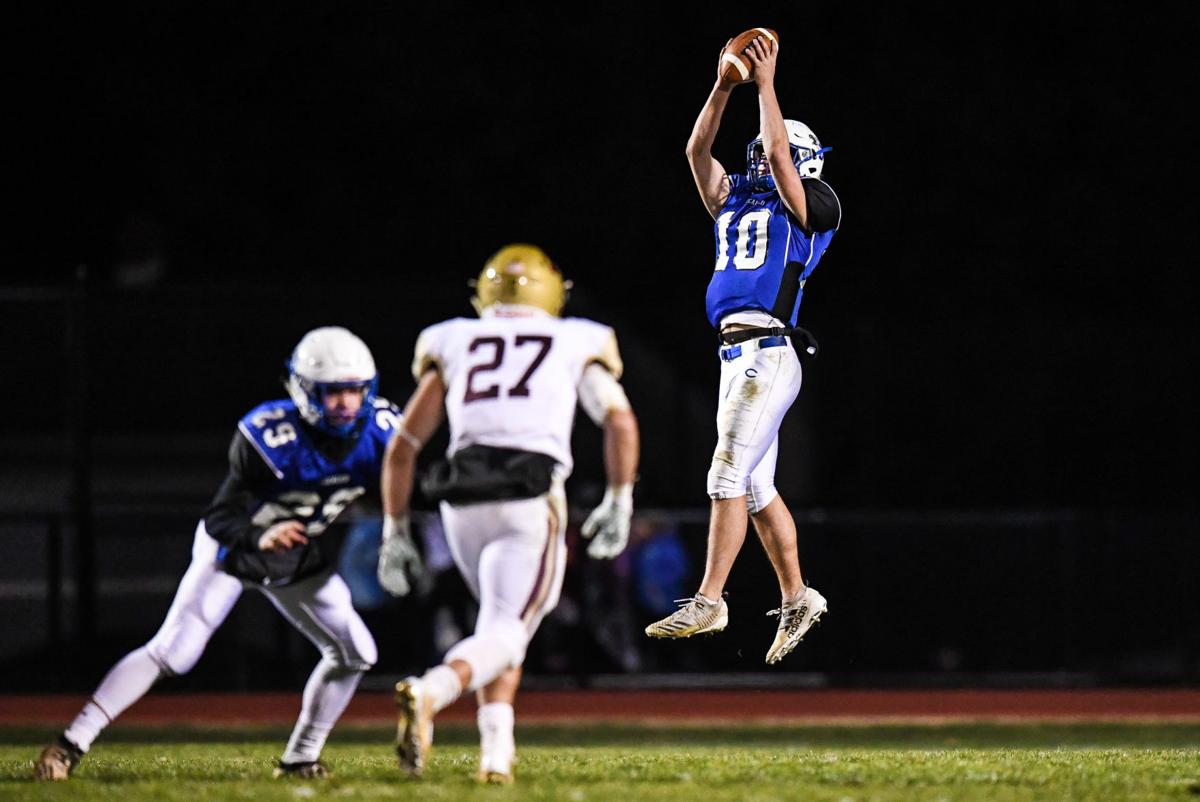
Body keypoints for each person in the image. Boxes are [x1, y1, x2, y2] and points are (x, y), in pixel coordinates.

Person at [34, 326, 417, 781]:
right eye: (333, 392)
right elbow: (220, 518)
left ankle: (300, 758)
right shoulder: (270, 436)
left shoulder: (380, 431)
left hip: (293, 549)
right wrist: (260, 536)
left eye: (355, 390)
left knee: (356, 651)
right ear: (303, 390)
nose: (346, 404)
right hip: (234, 546)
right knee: (174, 653)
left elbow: (408, 480)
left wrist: (398, 531)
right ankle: (69, 744)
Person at [377, 244, 639, 784]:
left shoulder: (453, 338)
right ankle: (433, 691)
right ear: (552, 291)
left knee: (498, 621)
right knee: (509, 633)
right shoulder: (573, 337)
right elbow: (618, 420)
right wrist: (619, 497)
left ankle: (497, 754)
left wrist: (395, 530)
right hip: (529, 494)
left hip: (460, 500)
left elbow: (403, 445)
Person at [644, 33, 842, 664]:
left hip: (769, 351)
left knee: (724, 472)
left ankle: (710, 597)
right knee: (754, 490)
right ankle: (797, 594)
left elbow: (783, 160)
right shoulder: (731, 201)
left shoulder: (815, 205)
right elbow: (696, 149)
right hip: (736, 357)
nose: (761, 156)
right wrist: (725, 86)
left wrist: (767, 84)